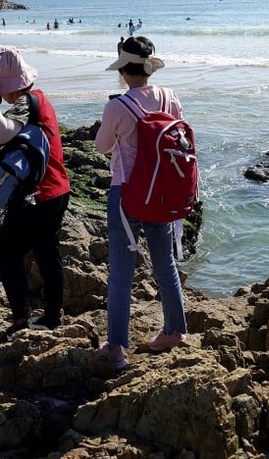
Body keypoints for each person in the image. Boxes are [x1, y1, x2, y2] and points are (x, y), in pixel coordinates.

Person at [94, 36, 188, 370]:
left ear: (123, 70)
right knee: (166, 263)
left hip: (127, 194)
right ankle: (175, 330)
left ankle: (117, 348)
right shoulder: (169, 97)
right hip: (161, 192)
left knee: (121, 270)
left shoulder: (117, 106)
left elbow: (102, 147)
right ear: (149, 67)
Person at [0, 47, 71, 334]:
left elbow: (0, 133)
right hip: (55, 188)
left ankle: (22, 318)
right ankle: (53, 315)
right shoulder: (39, 99)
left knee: (9, 254)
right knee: (46, 253)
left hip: (38, 194)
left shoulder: (24, 103)